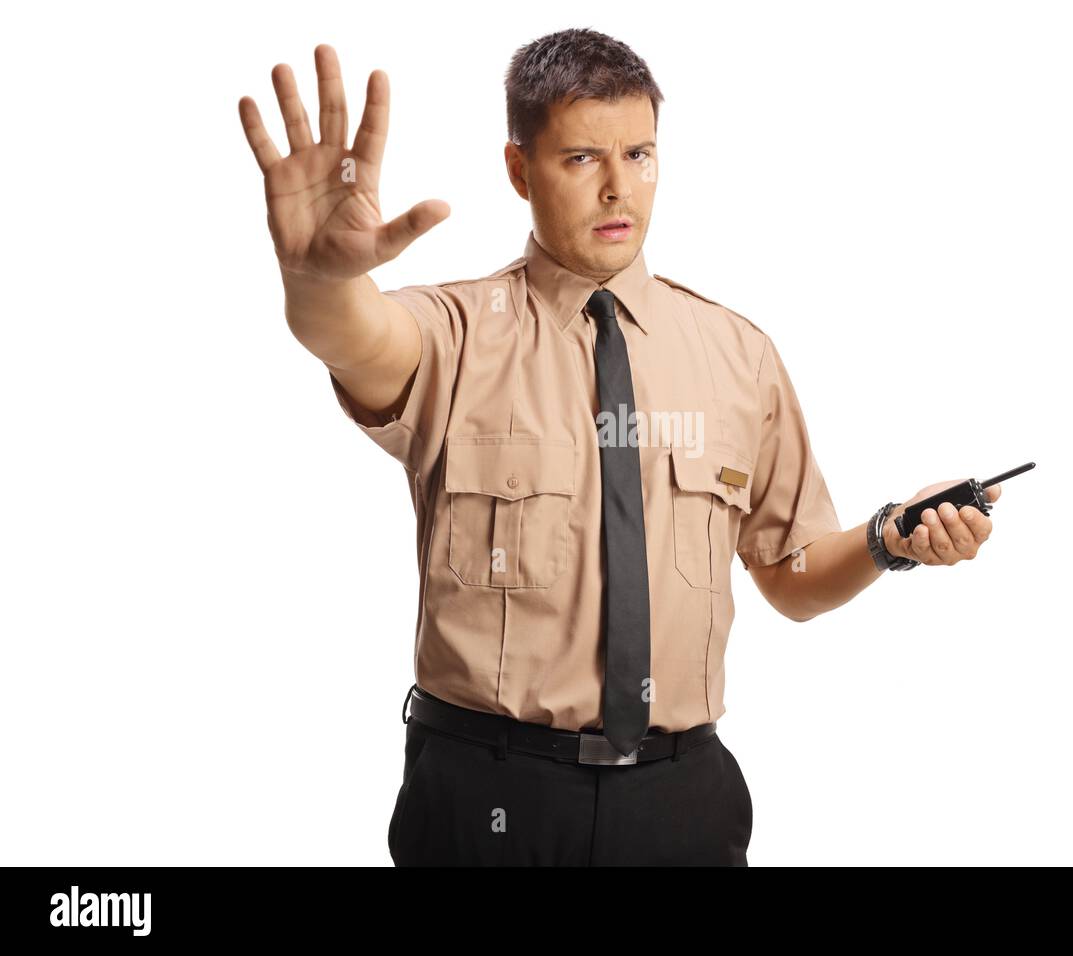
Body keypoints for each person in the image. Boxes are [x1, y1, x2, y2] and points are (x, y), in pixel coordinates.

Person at [237, 29, 1003, 866]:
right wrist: (317, 282)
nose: (617, 188)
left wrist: (889, 539)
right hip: (489, 799)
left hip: (681, 801)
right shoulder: (454, 337)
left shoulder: (737, 354)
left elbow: (793, 575)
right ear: (519, 169)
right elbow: (352, 335)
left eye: (639, 153)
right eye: (579, 159)